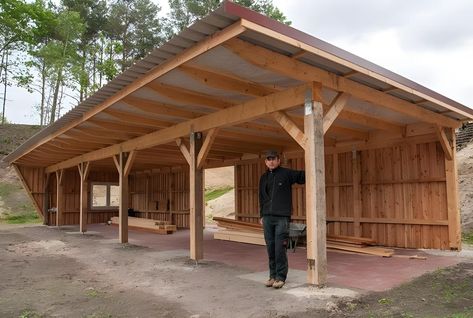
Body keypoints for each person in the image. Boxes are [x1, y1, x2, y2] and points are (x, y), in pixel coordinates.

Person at [259, 150, 305, 289]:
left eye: (273, 159)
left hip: (282, 218)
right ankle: (272, 276)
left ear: (279, 160)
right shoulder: (263, 177)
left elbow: (303, 176)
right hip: (267, 217)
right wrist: (262, 215)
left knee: (280, 248)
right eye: (268, 159)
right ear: (266, 162)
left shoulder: (286, 174)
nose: (271, 161)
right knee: (270, 247)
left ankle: (280, 277)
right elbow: (261, 198)